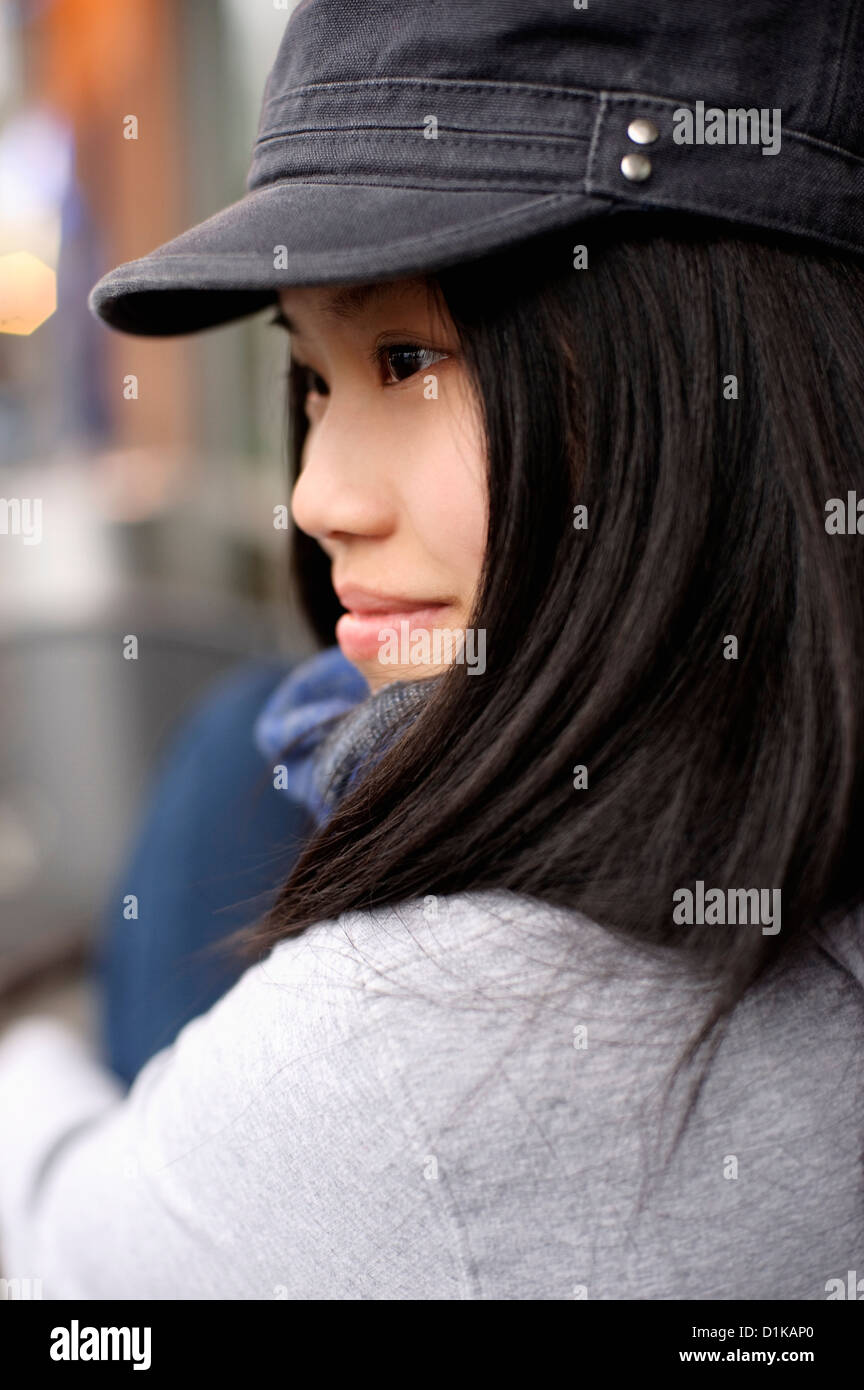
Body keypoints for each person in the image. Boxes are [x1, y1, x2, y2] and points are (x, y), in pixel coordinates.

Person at [1, 0, 863, 1301]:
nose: (315, 497)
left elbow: (62, 1257)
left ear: (704, 373)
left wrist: (23, 1063)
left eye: (407, 356)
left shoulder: (412, 1059)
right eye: (315, 380)